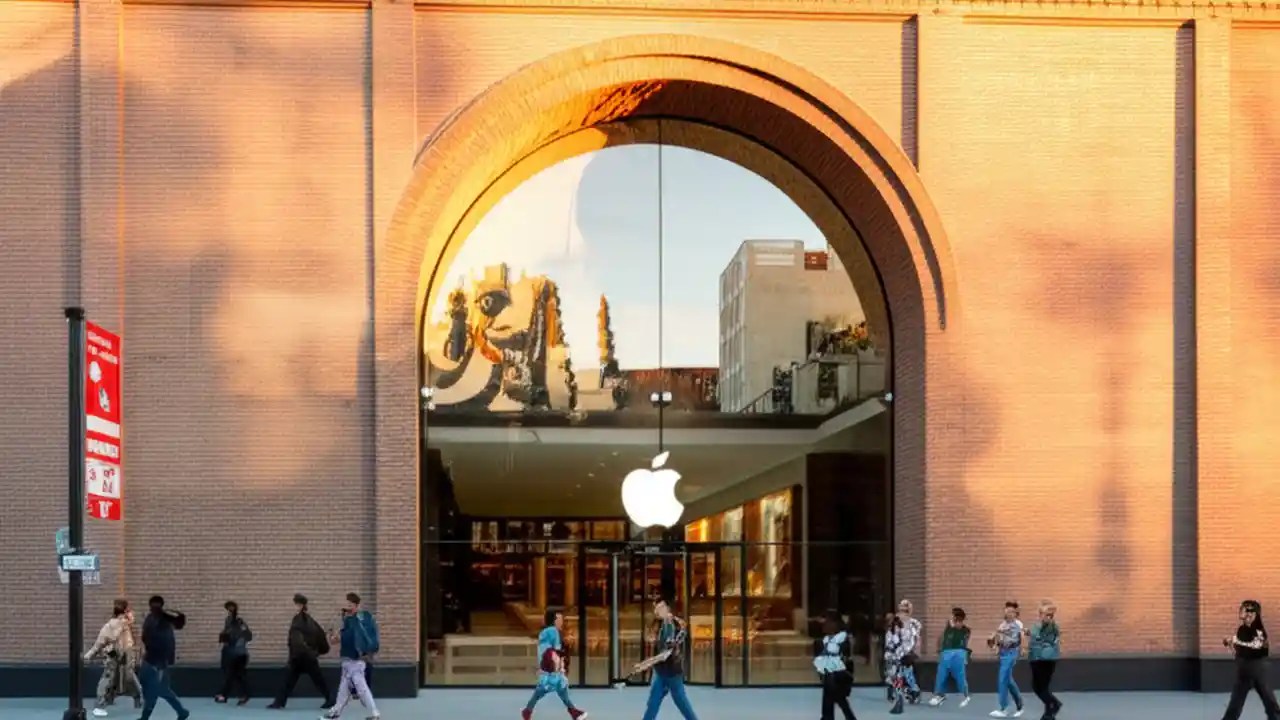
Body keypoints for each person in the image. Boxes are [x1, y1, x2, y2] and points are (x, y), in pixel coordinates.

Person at [269, 594, 333, 710]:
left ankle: (279, 702)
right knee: (316, 680)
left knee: (290, 680)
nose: (295, 606)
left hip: (300, 657)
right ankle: (330, 699)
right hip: (307, 657)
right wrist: (317, 652)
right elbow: (321, 636)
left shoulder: (297, 621)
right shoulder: (310, 621)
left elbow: (297, 641)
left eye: (296, 604)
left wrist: (309, 653)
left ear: (300, 605)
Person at [322, 592, 380, 720]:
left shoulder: (359, 619)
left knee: (361, 688)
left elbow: (347, 637)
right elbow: (339, 639)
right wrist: (333, 635)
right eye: (347, 604)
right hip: (348, 659)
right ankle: (335, 712)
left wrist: (335, 635)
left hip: (356, 660)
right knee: (343, 689)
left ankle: (374, 713)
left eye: (350, 604)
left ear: (356, 605)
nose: (348, 607)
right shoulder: (350, 620)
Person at [521, 609, 588, 720]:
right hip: (551, 667)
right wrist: (561, 666)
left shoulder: (544, 632)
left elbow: (544, 650)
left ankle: (573, 711)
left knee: (557, 689)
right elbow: (556, 652)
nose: (561, 621)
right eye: (559, 619)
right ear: (554, 620)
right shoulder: (553, 631)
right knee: (547, 688)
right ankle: (528, 710)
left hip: (546, 665)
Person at [1220, 599, 1280, 720]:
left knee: (1268, 698)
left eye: (1249, 611)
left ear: (1255, 614)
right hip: (1244, 668)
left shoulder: (1259, 631)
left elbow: (1255, 646)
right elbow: (1239, 651)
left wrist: (1237, 642)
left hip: (1257, 668)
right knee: (1236, 701)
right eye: (1243, 609)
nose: (1245, 614)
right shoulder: (1241, 630)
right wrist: (1231, 646)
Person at [639, 598, 698, 720]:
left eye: (660, 607)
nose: (657, 611)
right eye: (656, 608)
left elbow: (665, 654)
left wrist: (646, 663)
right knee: (652, 704)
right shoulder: (661, 623)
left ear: (667, 608)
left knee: (682, 704)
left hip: (673, 674)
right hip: (660, 672)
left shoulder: (674, 627)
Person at [85, 598, 142, 717]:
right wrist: (89, 655)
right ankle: (102, 703)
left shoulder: (125, 622)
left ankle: (138, 697)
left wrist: (126, 614)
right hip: (113, 651)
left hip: (126, 651)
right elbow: (100, 642)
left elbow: (130, 618)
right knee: (109, 675)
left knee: (128, 675)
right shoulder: (111, 625)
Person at [139, 595, 189, 720]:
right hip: (151, 659)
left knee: (154, 690)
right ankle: (181, 711)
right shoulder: (151, 619)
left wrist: (172, 613)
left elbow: (179, 622)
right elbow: (145, 637)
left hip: (157, 662)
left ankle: (145, 716)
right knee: (162, 690)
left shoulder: (164, 620)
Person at [812, 611, 857, 720]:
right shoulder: (826, 639)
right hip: (828, 671)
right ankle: (830, 717)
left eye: (827, 622)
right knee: (834, 696)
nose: (825, 625)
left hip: (838, 671)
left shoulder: (842, 638)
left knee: (835, 695)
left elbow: (846, 657)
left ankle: (829, 717)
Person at [986, 600, 1025, 719]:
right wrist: (994, 645)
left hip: (1012, 653)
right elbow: (998, 639)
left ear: (1016, 612)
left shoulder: (1018, 624)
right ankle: (1020, 705)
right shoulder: (1002, 624)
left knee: (1002, 678)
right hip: (1003, 653)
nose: (1009, 613)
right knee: (1008, 680)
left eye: (1012, 611)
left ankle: (1004, 708)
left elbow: (1021, 637)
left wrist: (1022, 649)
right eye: (1007, 610)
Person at [929, 607, 972, 708]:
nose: (950, 619)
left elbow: (965, 641)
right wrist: (939, 651)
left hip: (958, 653)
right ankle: (939, 695)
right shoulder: (947, 628)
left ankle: (965, 694)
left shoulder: (965, 630)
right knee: (941, 674)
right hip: (946, 653)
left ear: (959, 619)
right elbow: (941, 639)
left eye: (953, 617)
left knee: (960, 675)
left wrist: (965, 656)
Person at [1026, 601, 1062, 720]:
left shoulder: (1051, 626)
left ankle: (1053, 706)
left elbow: (1042, 638)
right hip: (1036, 658)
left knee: (1040, 687)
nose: (1045, 616)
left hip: (1045, 659)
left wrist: (1033, 634)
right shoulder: (1037, 625)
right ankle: (1049, 711)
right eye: (1043, 614)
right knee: (1039, 687)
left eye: (1048, 614)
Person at [216, 600, 253, 705]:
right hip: (231, 653)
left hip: (239, 654)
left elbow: (248, 636)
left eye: (231, 609)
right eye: (228, 609)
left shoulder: (239, 622)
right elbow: (226, 636)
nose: (229, 611)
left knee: (234, 675)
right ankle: (240, 695)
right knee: (235, 675)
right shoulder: (228, 621)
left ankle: (225, 695)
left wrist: (239, 637)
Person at [896, 599, 923, 704]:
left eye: (905, 611)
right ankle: (908, 691)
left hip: (908, 652)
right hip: (899, 651)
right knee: (900, 672)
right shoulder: (896, 623)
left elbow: (918, 639)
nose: (903, 613)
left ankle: (914, 690)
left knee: (907, 672)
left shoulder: (914, 623)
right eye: (902, 610)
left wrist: (917, 651)